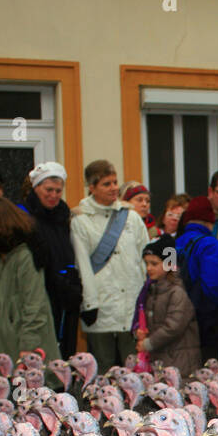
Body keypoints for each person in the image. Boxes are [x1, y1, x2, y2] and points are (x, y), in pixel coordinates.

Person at [71, 158, 149, 371]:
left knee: (135, 370)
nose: (114, 188)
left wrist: (148, 297)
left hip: (131, 305)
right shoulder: (80, 220)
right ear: (92, 187)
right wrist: (90, 304)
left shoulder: (132, 218)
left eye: (115, 182)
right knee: (104, 371)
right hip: (101, 307)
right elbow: (83, 266)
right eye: (106, 184)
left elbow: (146, 256)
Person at [0, 196, 60, 371]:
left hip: (22, 347)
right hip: (0, 347)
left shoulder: (25, 256)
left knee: (22, 395)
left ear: (6, 226)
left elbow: (34, 304)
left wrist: (28, 346)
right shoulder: (0, 256)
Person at [19, 161, 81, 360]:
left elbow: (67, 250)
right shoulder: (24, 216)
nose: (53, 195)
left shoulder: (63, 216)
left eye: (58, 190)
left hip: (66, 293)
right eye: (48, 190)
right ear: (36, 188)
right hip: (40, 291)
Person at [133, 234, 201, 376]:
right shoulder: (151, 291)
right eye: (147, 263)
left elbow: (174, 326)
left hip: (179, 363)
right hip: (162, 359)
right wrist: (140, 331)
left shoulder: (177, 292)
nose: (149, 268)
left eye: (154, 263)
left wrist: (148, 343)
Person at [174, 195, 218, 361]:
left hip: (176, 315)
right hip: (204, 317)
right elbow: (213, 285)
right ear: (209, 221)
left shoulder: (171, 244)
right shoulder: (210, 244)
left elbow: (166, 280)